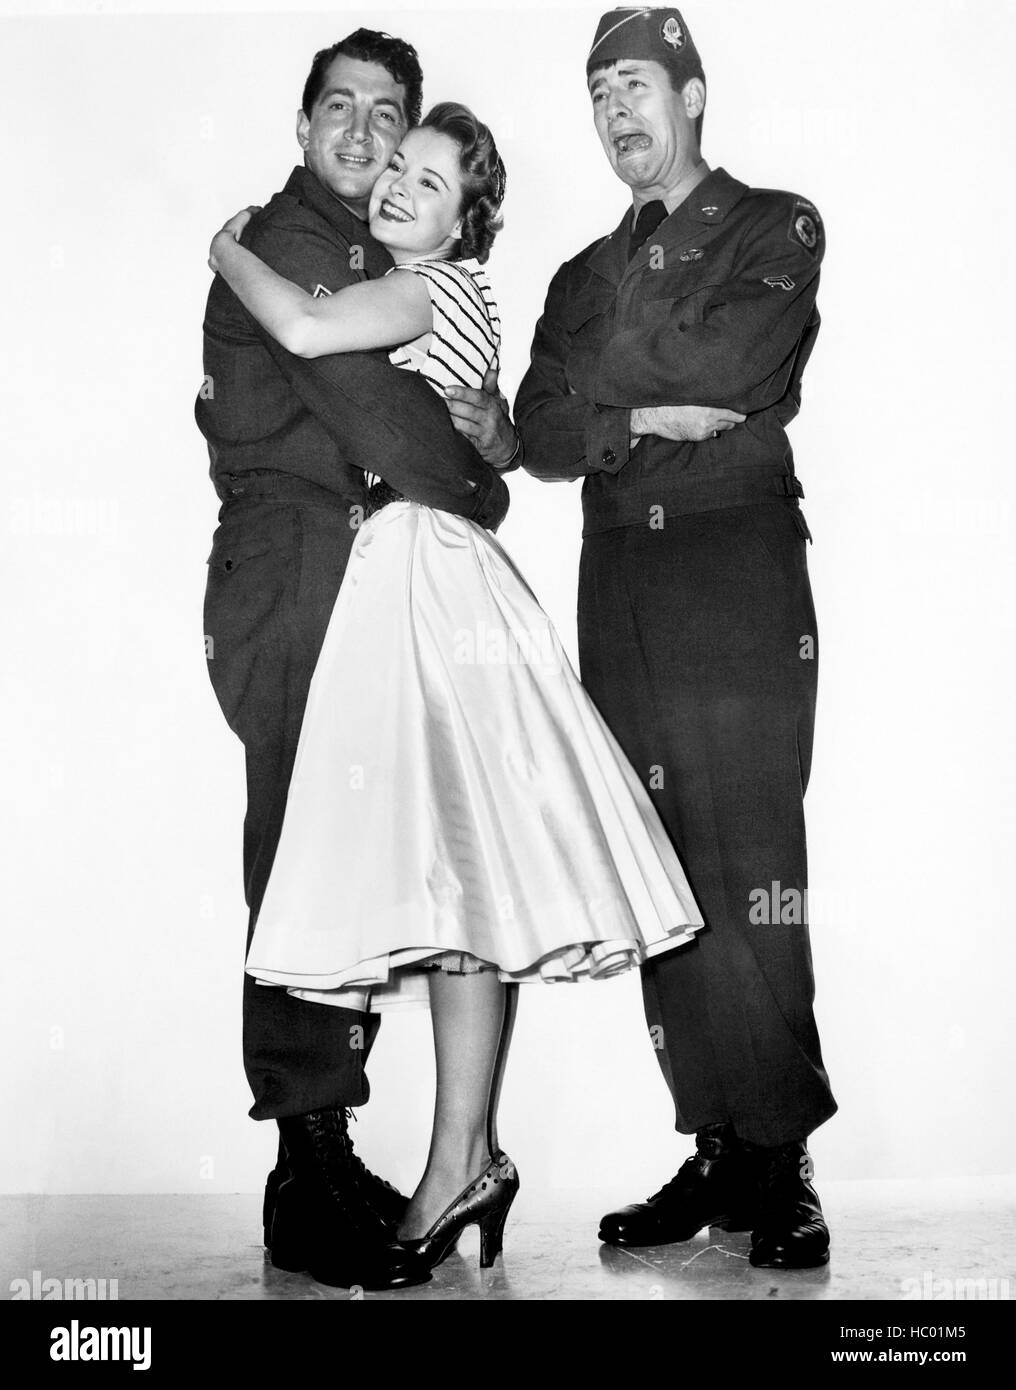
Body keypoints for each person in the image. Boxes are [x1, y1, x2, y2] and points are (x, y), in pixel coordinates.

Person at [209, 97, 707, 1287]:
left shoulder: (423, 290)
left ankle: (459, 1160)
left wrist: (225, 244)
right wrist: (482, 451)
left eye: (428, 183)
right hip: (434, 575)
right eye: (399, 170)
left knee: (456, 877)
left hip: (424, 581)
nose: (397, 187)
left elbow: (296, 321)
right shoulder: (447, 299)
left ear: (463, 226)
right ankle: (463, 1160)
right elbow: (469, 438)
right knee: (456, 882)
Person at [512, 6, 836, 1270]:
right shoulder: (577, 276)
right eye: (596, 92)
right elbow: (535, 430)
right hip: (620, 580)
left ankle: (779, 1153)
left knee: (752, 856)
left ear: (691, 95)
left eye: (635, 83)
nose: (614, 111)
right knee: (657, 873)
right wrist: (650, 400)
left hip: (727, 567)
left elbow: (744, 357)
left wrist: (608, 381)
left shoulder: (774, 223)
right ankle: (709, 1142)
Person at [196, 30, 517, 1294]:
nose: (362, 129)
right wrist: (484, 479)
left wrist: (480, 428)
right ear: (303, 123)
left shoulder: (375, 265)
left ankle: (331, 1149)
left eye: (389, 115)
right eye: (339, 104)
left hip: (358, 586)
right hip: (286, 578)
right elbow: (409, 440)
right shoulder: (285, 248)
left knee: (355, 862)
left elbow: (451, 409)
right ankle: (301, 1172)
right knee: (295, 857)